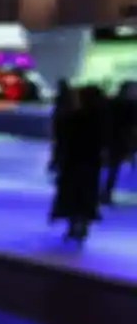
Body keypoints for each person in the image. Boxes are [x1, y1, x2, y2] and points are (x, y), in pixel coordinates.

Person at [52, 86, 106, 241]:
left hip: (73, 161)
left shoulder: (73, 118)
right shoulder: (99, 119)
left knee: (73, 193)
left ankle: (73, 224)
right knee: (86, 193)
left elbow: (63, 141)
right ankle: (81, 224)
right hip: (90, 162)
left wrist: (57, 159)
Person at [102, 82, 136, 205]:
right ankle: (105, 193)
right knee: (111, 168)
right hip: (116, 141)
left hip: (118, 141)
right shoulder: (123, 105)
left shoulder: (114, 104)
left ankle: (105, 193)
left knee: (111, 168)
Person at [49, 80, 76, 173]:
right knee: (61, 145)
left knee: (59, 144)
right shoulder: (70, 98)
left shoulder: (60, 98)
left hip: (61, 124)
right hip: (64, 124)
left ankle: (56, 162)